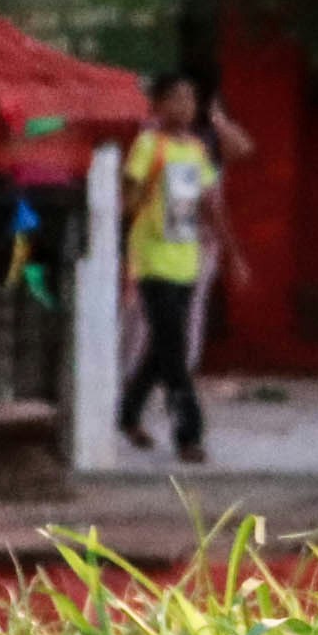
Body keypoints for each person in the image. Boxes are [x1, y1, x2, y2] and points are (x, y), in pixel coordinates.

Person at [118, 72, 238, 464]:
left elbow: (209, 204)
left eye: (191, 99)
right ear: (158, 105)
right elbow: (129, 197)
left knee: (163, 346)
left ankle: (128, 413)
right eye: (176, 99)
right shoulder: (148, 145)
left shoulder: (197, 150)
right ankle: (189, 434)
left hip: (186, 262)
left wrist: (231, 252)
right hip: (152, 260)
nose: (185, 107)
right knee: (175, 350)